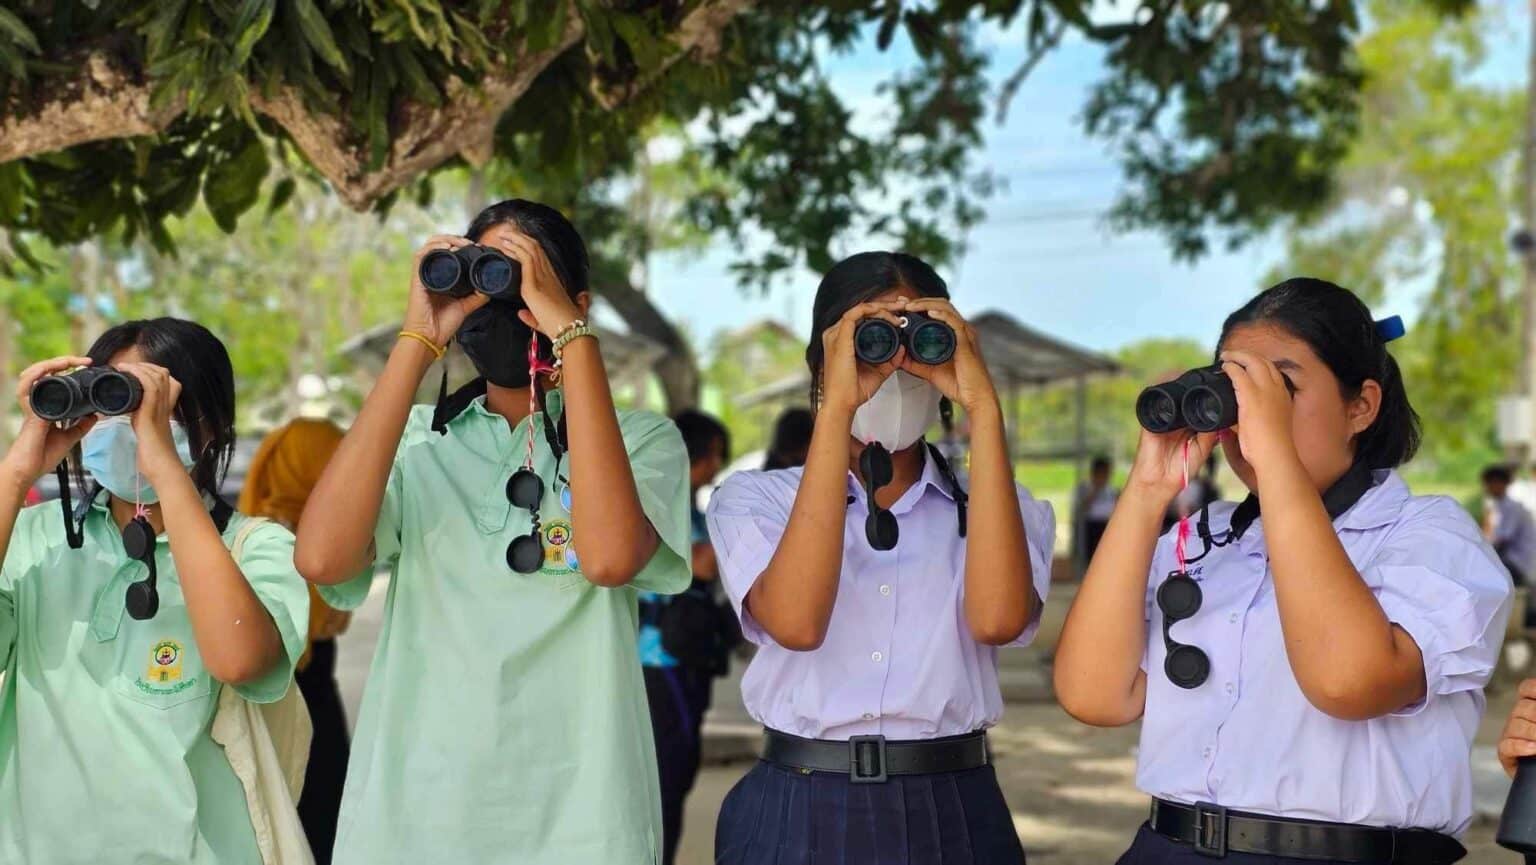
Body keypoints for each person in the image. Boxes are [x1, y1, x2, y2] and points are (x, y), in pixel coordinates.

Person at [1054, 278, 1512, 864]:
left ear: (1361, 406)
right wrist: (1147, 491)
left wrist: (1275, 461)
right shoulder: (1201, 537)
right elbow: (1094, 696)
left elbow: (1350, 681)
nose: (1253, 416)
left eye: (1283, 387)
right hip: (1168, 847)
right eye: (1238, 388)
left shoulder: (1428, 536)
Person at [294, 199, 692, 865]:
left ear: (579, 302)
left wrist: (573, 337)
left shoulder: (639, 442)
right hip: (415, 818)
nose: (502, 302)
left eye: (519, 277)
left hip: (582, 823)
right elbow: (323, 558)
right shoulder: (419, 442)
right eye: (484, 278)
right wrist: (417, 340)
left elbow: (612, 555)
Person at [707, 251, 1055, 865]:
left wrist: (984, 411)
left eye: (920, 339)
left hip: (952, 802)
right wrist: (837, 407)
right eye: (870, 340)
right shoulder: (756, 499)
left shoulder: (1000, 505)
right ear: (821, 362)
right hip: (798, 797)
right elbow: (795, 623)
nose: (895, 367)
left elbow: (998, 620)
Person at [0, 318, 309, 863]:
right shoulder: (33, 541)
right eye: (106, 398)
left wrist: (163, 464)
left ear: (208, 424)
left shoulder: (257, 550)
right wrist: (17, 471)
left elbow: (240, 660)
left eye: (138, 401)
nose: (120, 424)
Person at [238, 417, 352, 865]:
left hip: (313, 681)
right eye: (330, 458)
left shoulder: (308, 521)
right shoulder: (274, 538)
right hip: (284, 690)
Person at [642, 408, 733, 865]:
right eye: (714, 454)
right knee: (665, 784)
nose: (717, 464)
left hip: (687, 662)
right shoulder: (660, 505)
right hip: (661, 666)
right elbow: (701, 564)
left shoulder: (685, 506)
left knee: (674, 781)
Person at [1483, 464, 1536, 587]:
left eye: (1491, 483)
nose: (1488, 488)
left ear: (1502, 484)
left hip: (1519, 562)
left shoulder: (1512, 507)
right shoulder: (1500, 506)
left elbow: (1503, 540)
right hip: (1512, 559)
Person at [1074, 455, 1118, 563]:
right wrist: (1096, 489)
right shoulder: (1084, 488)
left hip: (1107, 525)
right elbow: (1081, 508)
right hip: (1091, 527)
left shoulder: (1112, 490)